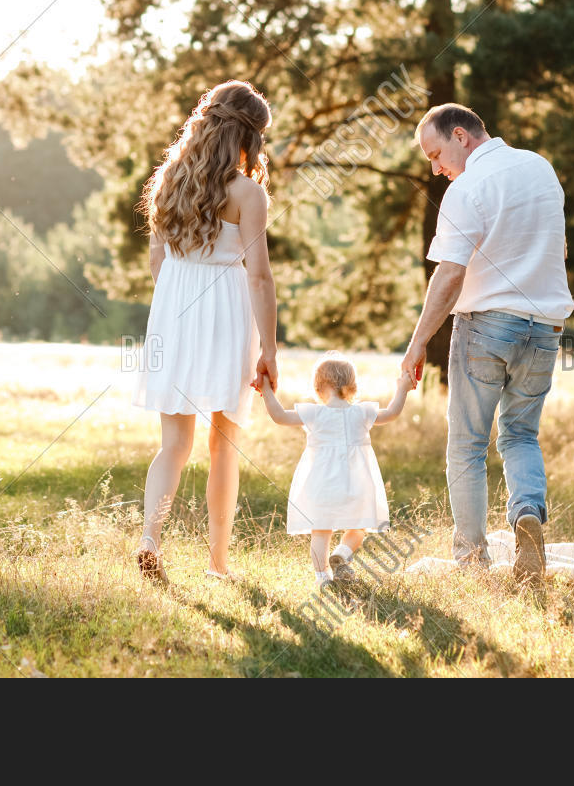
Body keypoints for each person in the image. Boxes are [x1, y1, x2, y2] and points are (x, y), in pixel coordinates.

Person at [399, 103, 574, 584]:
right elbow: (558, 249)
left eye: (436, 155)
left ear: (461, 136)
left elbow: (449, 275)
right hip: (545, 326)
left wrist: (418, 343)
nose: (436, 169)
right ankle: (527, 513)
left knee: (468, 445)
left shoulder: (467, 188)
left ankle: (473, 561)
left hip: (486, 326)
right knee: (521, 435)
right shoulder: (540, 168)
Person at [132, 80, 279, 583]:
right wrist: (270, 349)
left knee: (173, 443)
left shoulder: (169, 181)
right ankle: (218, 564)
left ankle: (150, 537)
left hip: (174, 309)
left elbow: (157, 259)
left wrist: (177, 306)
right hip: (226, 312)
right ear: (250, 136)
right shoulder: (248, 193)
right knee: (224, 444)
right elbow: (259, 276)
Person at [258, 353, 413, 589]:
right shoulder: (362, 412)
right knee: (358, 527)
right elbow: (392, 412)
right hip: (357, 485)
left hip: (322, 485)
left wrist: (266, 389)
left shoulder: (314, 413)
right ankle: (342, 552)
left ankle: (322, 577)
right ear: (352, 385)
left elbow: (279, 416)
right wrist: (402, 388)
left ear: (319, 386)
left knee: (321, 531)